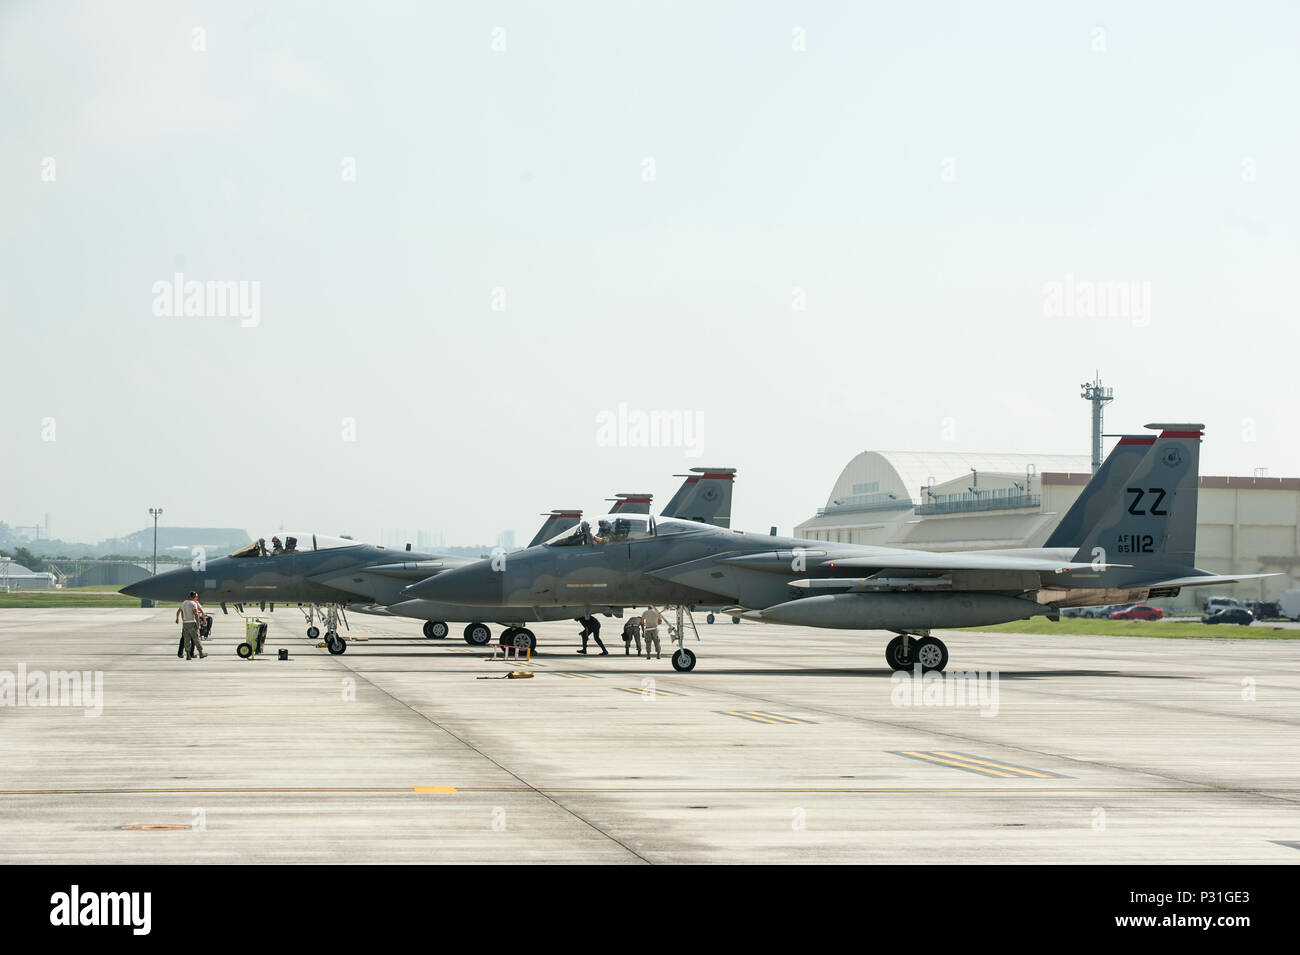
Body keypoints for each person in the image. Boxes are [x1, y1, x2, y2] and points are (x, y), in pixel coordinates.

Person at [176, 591, 208, 660]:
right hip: (192, 623)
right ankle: (201, 653)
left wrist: (178, 618)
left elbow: (180, 611)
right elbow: (196, 614)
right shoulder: (193, 603)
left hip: (185, 623)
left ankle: (188, 655)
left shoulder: (184, 603)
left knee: (186, 639)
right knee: (196, 638)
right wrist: (198, 624)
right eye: (196, 596)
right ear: (193, 597)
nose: (196, 598)